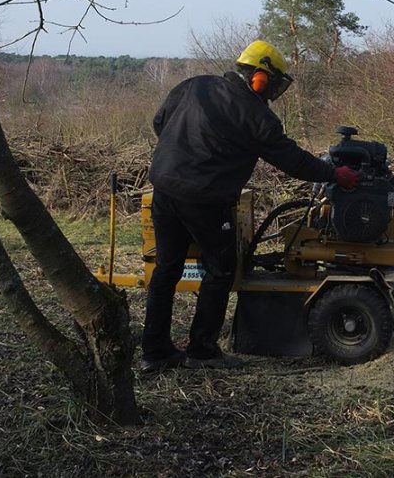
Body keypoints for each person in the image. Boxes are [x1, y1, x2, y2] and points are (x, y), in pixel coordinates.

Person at [140, 40, 359, 372]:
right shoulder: (257, 117)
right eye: (274, 83)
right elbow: (292, 160)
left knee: (166, 270)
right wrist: (334, 173)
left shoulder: (194, 85)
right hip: (205, 199)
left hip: (164, 190)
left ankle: (153, 354)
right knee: (222, 269)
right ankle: (202, 351)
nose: (272, 91)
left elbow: (160, 122)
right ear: (259, 77)